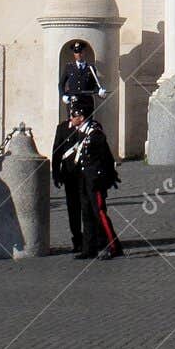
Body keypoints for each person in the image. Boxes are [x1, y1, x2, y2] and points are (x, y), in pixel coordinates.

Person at [65, 101, 123, 260]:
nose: (71, 118)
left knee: (100, 213)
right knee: (86, 213)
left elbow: (105, 157)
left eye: (73, 115)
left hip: (95, 180)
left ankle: (113, 246)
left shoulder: (95, 134)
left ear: (81, 117)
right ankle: (88, 248)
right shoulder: (81, 132)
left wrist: (108, 177)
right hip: (84, 179)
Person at [51, 115, 84, 254]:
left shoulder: (90, 128)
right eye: (73, 115)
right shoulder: (63, 128)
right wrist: (56, 174)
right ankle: (77, 239)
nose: (74, 118)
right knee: (73, 208)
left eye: (76, 115)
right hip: (69, 174)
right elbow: (57, 152)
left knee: (88, 208)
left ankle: (92, 238)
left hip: (85, 175)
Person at [59, 42, 105, 118]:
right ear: (74, 54)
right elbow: (61, 84)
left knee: (87, 124)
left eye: (80, 52)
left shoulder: (90, 68)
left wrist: (99, 91)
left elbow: (94, 85)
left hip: (86, 102)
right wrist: (63, 95)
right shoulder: (69, 67)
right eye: (76, 52)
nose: (79, 54)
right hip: (73, 102)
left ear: (84, 53)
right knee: (74, 125)